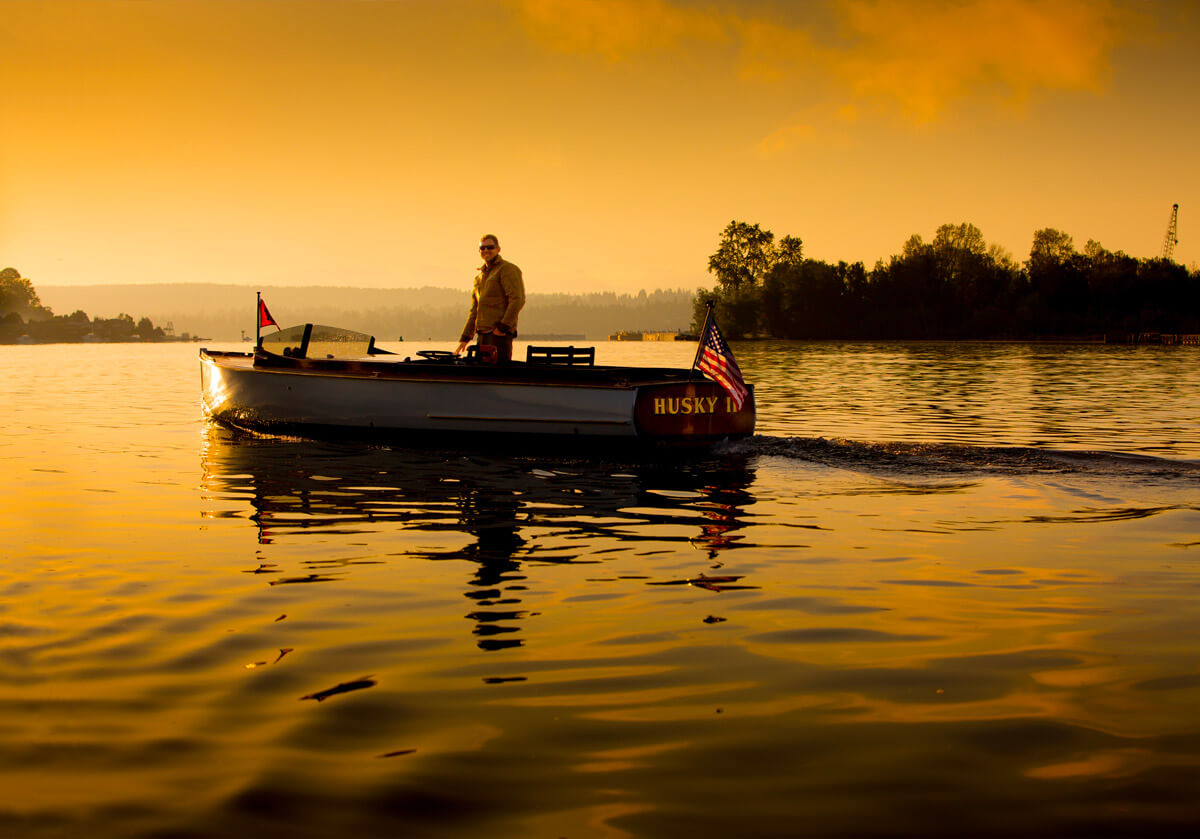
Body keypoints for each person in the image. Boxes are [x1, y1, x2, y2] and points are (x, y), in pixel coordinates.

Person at [455, 234, 525, 362]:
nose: (486, 250)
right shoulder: (479, 277)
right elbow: (474, 310)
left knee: (499, 373)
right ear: (479, 251)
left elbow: (517, 299)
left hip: (499, 335)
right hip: (482, 335)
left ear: (498, 249)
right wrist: (465, 337)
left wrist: (503, 327)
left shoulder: (507, 269)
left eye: (490, 247)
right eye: (483, 248)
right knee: (480, 374)